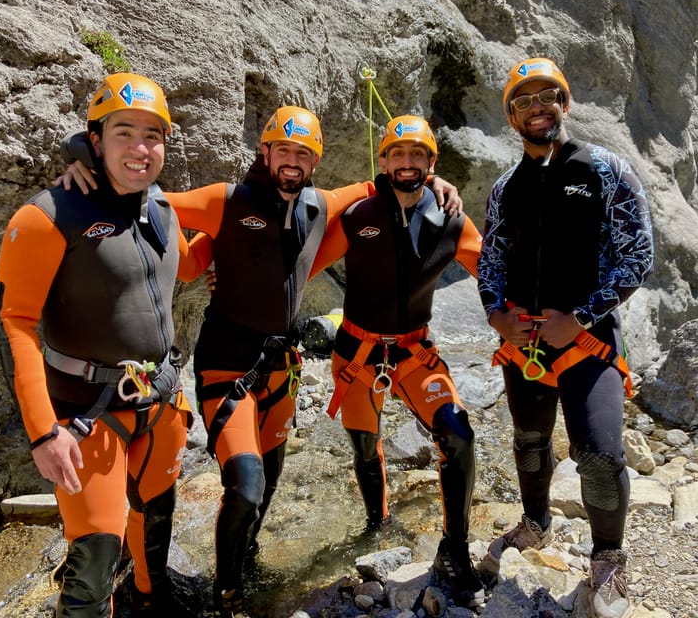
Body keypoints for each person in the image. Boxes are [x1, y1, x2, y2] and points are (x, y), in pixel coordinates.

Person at [61, 105, 461, 617]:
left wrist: (434, 181)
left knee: (267, 483)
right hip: (226, 368)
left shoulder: (320, 204)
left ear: (315, 161)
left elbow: (385, 182)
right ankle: (225, 597)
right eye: (284, 150)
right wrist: (84, 154)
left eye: (303, 153)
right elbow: (145, 191)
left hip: (280, 370)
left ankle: (243, 561)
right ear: (265, 152)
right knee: (245, 486)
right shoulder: (227, 200)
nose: (293, 161)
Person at [0, 73, 195, 617]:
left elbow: (182, 263)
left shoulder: (162, 209)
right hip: (87, 413)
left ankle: (149, 601)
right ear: (95, 140)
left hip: (160, 402)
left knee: (155, 523)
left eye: (152, 135)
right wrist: (44, 433)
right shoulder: (49, 216)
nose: (140, 148)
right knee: (94, 555)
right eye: (123, 132)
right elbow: (15, 324)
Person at [477, 57, 654, 618]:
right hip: (523, 342)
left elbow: (637, 256)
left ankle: (608, 560)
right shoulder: (506, 187)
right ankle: (535, 523)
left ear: (565, 103)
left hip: (587, 340)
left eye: (548, 96)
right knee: (530, 441)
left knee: (599, 455)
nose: (538, 108)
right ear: (511, 116)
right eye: (524, 101)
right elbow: (491, 260)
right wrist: (496, 315)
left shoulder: (605, 169)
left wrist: (577, 318)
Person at [309, 115, 486, 609]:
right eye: (397, 155)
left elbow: (495, 274)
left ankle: (454, 550)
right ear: (383, 161)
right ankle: (378, 525)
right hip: (356, 355)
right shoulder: (358, 214)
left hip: (413, 354)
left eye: (417, 155)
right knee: (366, 449)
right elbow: (304, 267)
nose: (407, 163)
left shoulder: (452, 220)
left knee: (459, 435)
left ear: (431, 163)